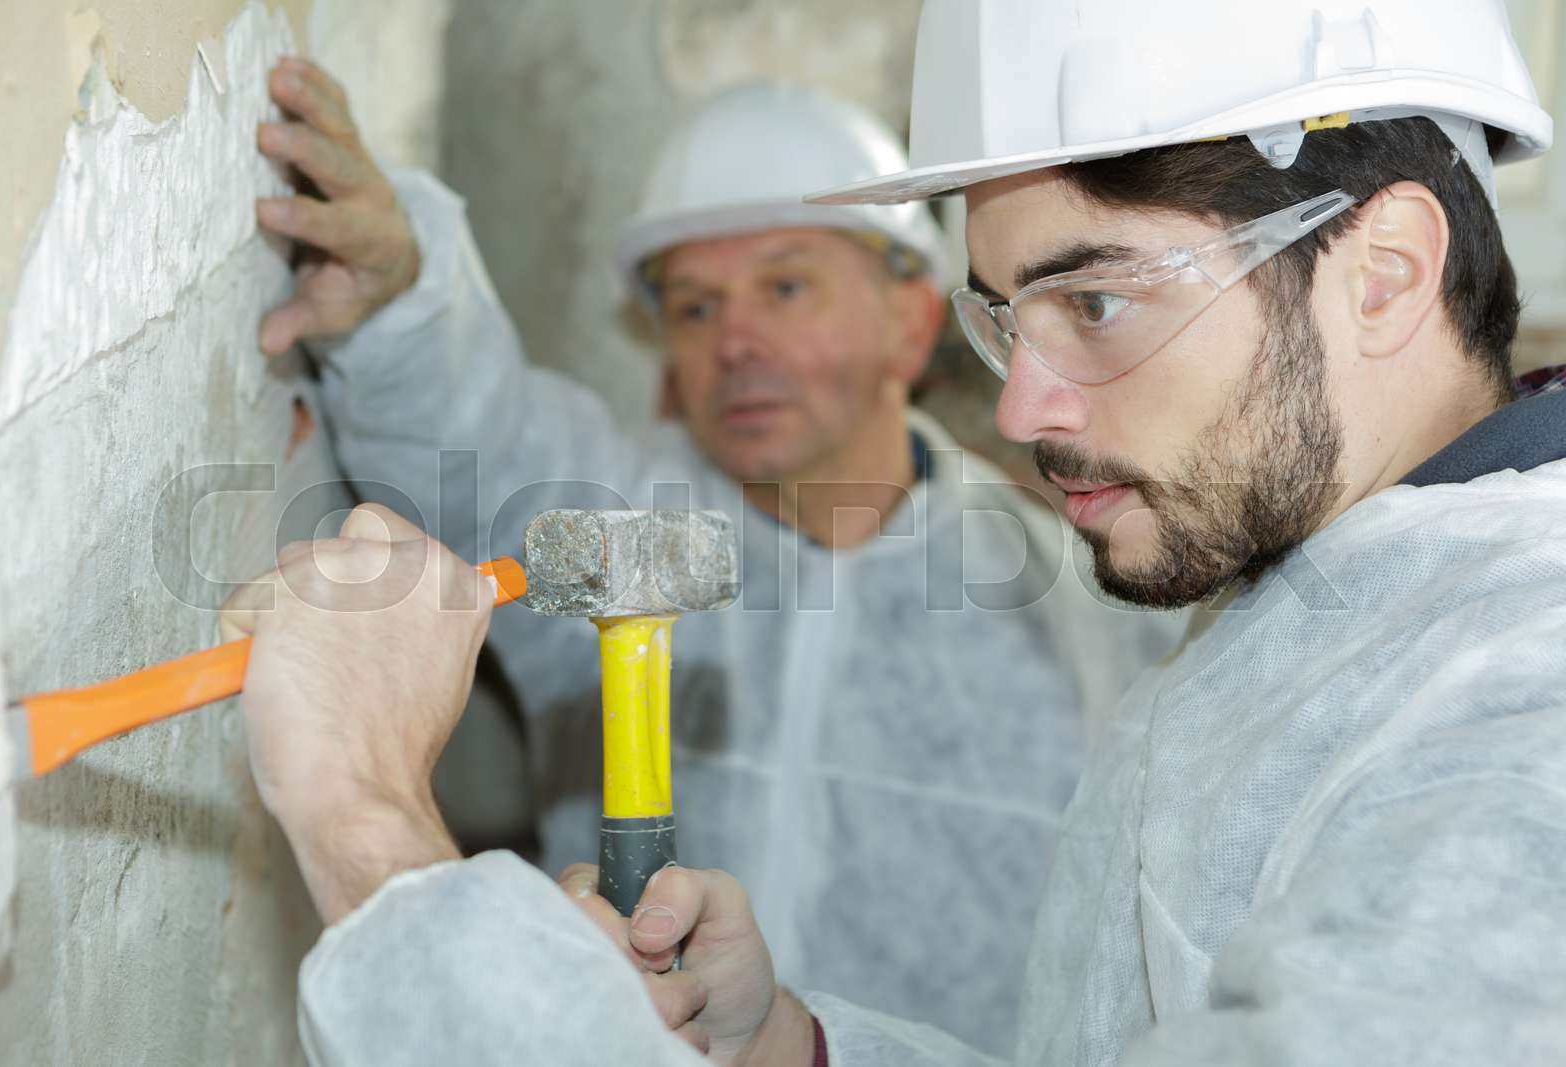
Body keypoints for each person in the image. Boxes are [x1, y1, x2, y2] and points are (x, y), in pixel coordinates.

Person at [229, 0, 1566, 1063]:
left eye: (1094, 302)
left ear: (1384, 271)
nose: (1026, 407)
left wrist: (368, 831)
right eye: (1011, 321)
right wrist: (801, 1048)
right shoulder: (1302, 623)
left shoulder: (1520, 746)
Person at [250, 66, 1182, 1054]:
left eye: (785, 285)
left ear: (909, 323)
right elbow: (468, 437)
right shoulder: (613, 523)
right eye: (694, 307)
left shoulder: (1088, 605)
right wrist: (398, 299)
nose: (734, 341)